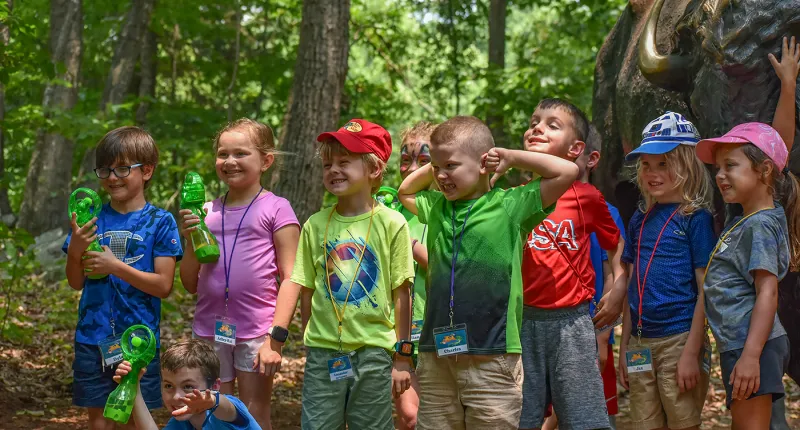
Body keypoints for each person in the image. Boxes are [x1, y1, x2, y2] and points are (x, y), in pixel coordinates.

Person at [398, 115, 579, 429]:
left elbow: (568, 171)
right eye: (436, 167)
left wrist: (509, 156)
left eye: (450, 166)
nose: (440, 175)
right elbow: (405, 193)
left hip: (493, 357)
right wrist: (440, 160)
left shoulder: (510, 205)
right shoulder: (438, 206)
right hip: (436, 356)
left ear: (484, 163)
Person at [254, 119, 415, 430]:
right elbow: (298, 282)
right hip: (325, 352)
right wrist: (276, 338)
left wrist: (403, 356)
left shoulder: (392, 223)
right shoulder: (316, 224)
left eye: (345, 162)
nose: (333, 170)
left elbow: (401, 293)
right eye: (328, 164)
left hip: (374, 352)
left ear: (374, 169)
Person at [693, 38, 800, 430]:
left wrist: (752, 355)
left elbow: (767, 291)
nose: (719, 175)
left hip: (753, 345)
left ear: (763, 172)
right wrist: (787, 87)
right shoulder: (750, 218)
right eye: (717, 167)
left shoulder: (759, 224)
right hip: (743, 343)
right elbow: (780, 147)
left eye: (730, 165)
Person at [179, 119, 300, 429]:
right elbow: (190, 283)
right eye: (222, 154)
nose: (229, 161)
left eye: (241, 154)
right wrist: (191, 237)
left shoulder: (277, 208)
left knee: (252, 412)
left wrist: (275, 339)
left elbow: (292, 277)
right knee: (211, 411)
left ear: (266, 161)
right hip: (209, 328)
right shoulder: (206, 212)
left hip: (257, 332)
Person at [64, 126, 183, 429]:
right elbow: (76, 282)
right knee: (100, 422)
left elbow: (163, 286)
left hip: (139, 340)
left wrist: (115, 266)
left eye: (121, 168)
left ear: (147, 171)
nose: (112, 177)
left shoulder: (161, 221)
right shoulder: (91, 218)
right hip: (93, 339)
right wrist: (76, 249)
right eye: (105, 169)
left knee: (135, 417)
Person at [518, 99, 626, 430]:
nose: (537, 127)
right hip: (521, 323)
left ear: (575, 148)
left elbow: (616, 244)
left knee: (583, 418)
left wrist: (619, 284)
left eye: (552, 124)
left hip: (572, 323)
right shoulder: (514, 198)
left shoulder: (587, 198)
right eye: (535, 121)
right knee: (519, 417)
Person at [619, 112, 715, 430]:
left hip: (679, 340)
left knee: (683, 423)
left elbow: (706, 290)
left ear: (686, 165)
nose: (652, 173)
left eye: (663, 163)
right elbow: (633, 285)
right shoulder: (640, 218)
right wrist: (625, 348)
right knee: (644, 423)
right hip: (640, 343)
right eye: (646, 164)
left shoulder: (695, 219)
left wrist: (692, 351)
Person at [113, 339, 261, 429]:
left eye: (188, 386)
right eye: (169, 386)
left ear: (215, 386)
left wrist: (212, 401)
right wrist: (134, 387)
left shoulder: (227, 409)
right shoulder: (183, 423)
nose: (177, 396)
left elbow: (227, 409)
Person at [395, 121, 437, 430]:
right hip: (400, 333)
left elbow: (449, 269)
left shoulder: (447, 208)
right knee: (409, 418)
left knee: (440, 417)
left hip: (439, 332)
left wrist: (410, 246)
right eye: (405, 160)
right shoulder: (389, 212)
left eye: (423, 162)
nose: (411, 168)